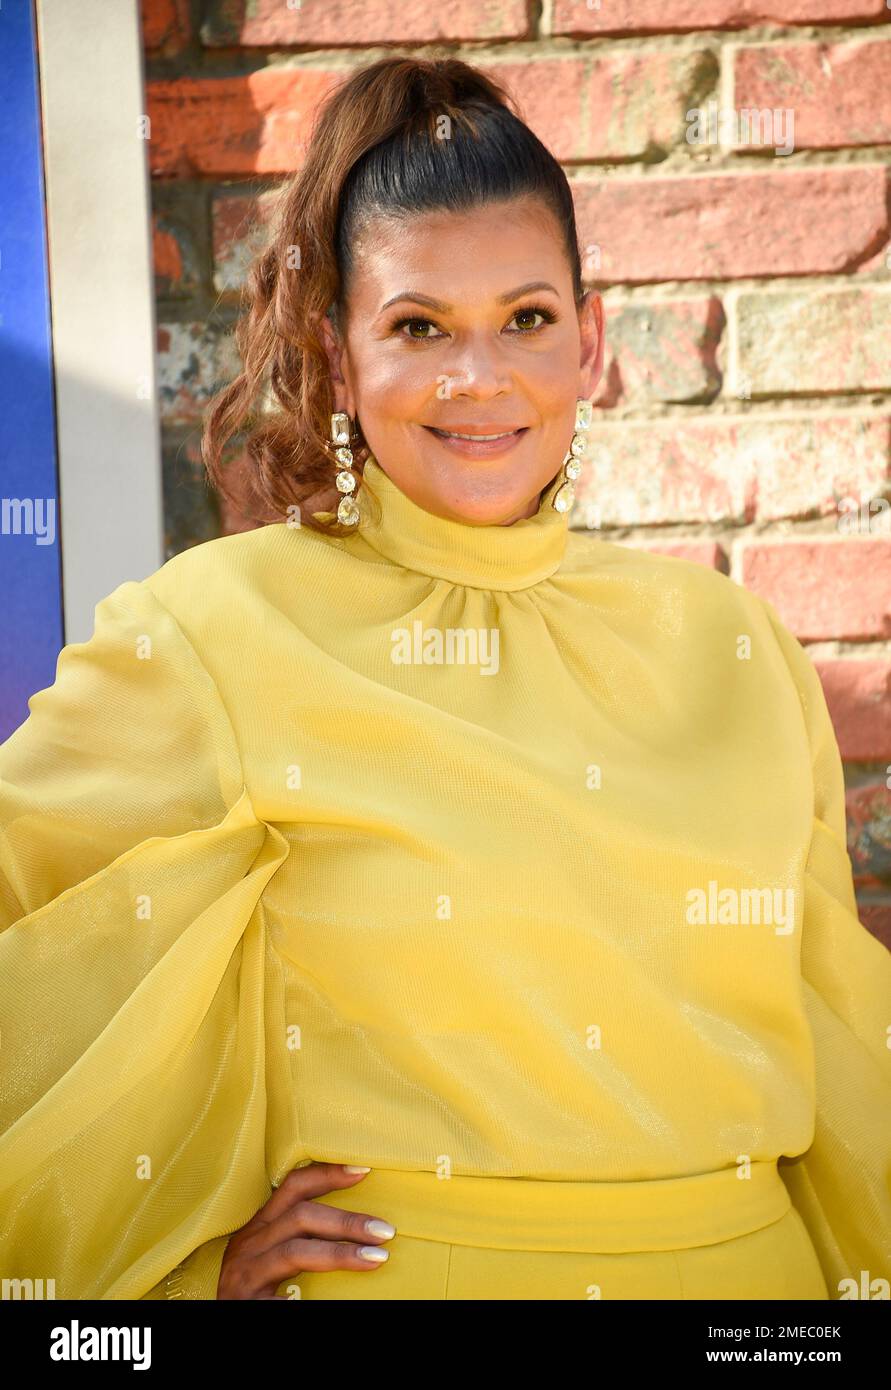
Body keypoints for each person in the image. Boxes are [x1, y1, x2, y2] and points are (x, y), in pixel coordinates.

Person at [1, 56, 889, 1303]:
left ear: (590, 340)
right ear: (341, 353)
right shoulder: (221, 630)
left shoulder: (737, 648)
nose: (481, 377)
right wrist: (177, 1285)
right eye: (419, 326)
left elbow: (847, 1038)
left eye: (525, 318)